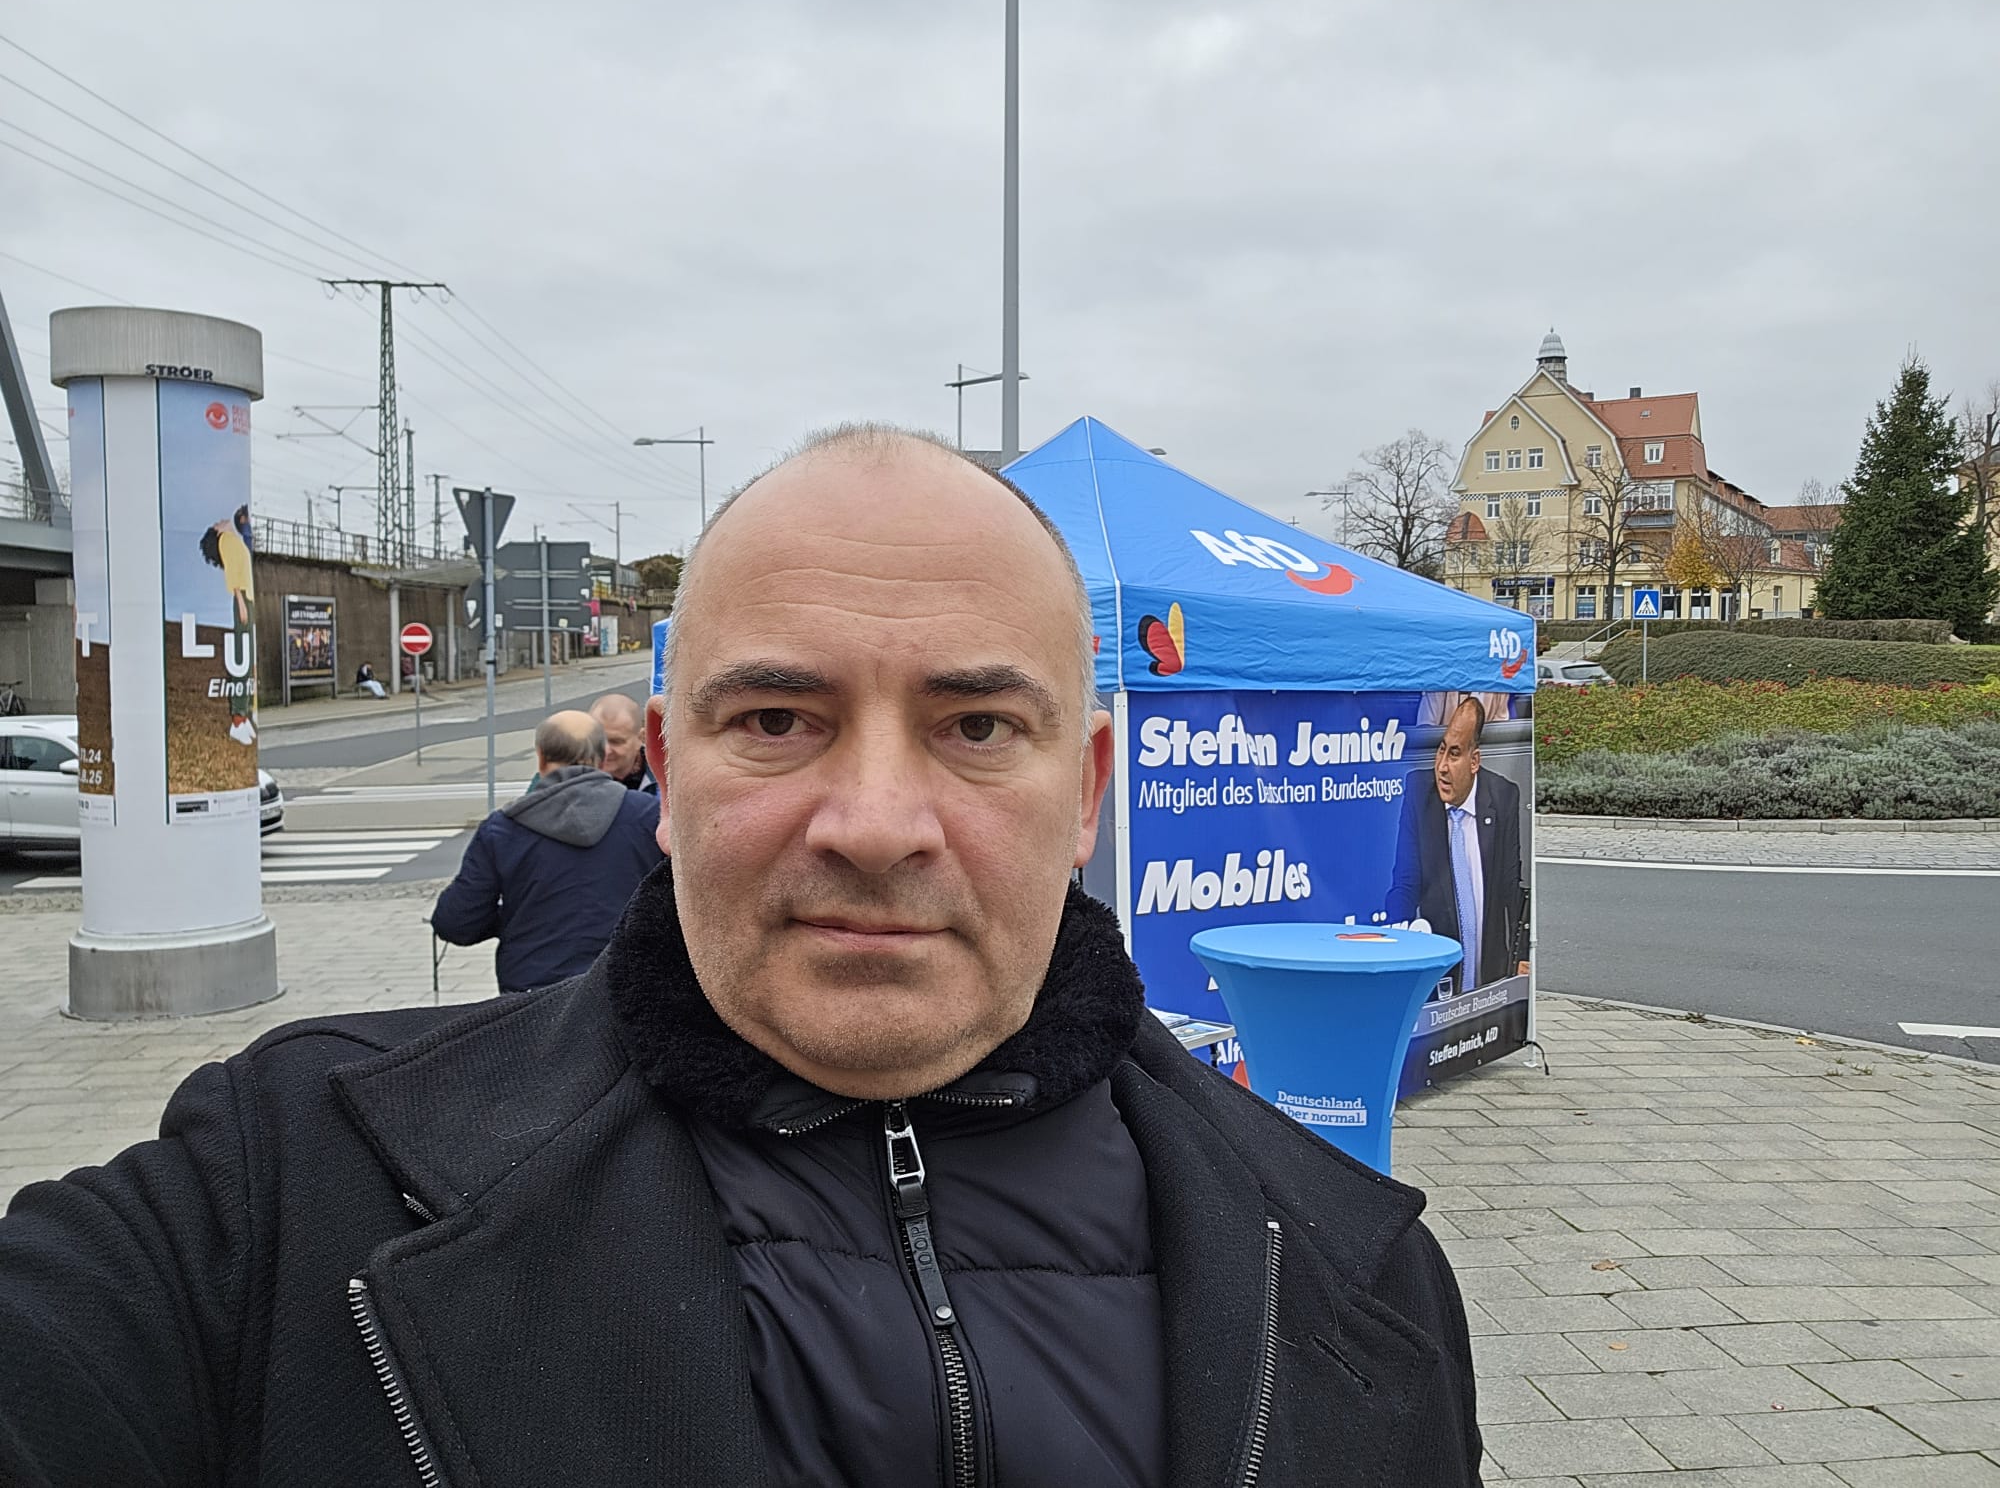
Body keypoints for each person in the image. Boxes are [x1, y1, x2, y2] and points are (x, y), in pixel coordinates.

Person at [0, 425, 1481, 1485]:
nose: (879, 823)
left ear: (1086, 791)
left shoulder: (1364, 1275)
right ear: (666, 774)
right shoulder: (283, 1191)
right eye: (777, 719)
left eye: (976, 727)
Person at [431, 709, 662, 993]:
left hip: (530, 996)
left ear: (540, 757)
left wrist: (516, 916)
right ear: (602, 757)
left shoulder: (504, 829)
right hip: (625, 988)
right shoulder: (649, 816)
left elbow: (455, 923)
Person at [1386, 695, 1526, 991]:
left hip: (1490, 970)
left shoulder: (1503, 796)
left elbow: (1511, 888)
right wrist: (1396, 938)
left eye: (1455, 754)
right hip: (1440, 972)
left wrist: (1522, 956)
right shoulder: (1418, 793)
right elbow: (1405, 883)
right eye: (1441, 751)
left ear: (1474, 761)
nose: (1442, 767)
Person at [198, 512, 256, 745]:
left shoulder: (235, 539)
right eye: (215, 524)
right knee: (241, 659)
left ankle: (243, 717)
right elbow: (234, 572)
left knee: (246, 660)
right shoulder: (227, 541)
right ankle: (237, 720)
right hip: (244, 600)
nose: (218, 520)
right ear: (217, 532)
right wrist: (240, 601)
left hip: (247, 599)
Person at [589, 690, 655, 791]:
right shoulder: (570, 780)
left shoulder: (666, 779)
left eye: (616, 742)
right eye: (598, 740)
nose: (606, 750)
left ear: (641, 738)